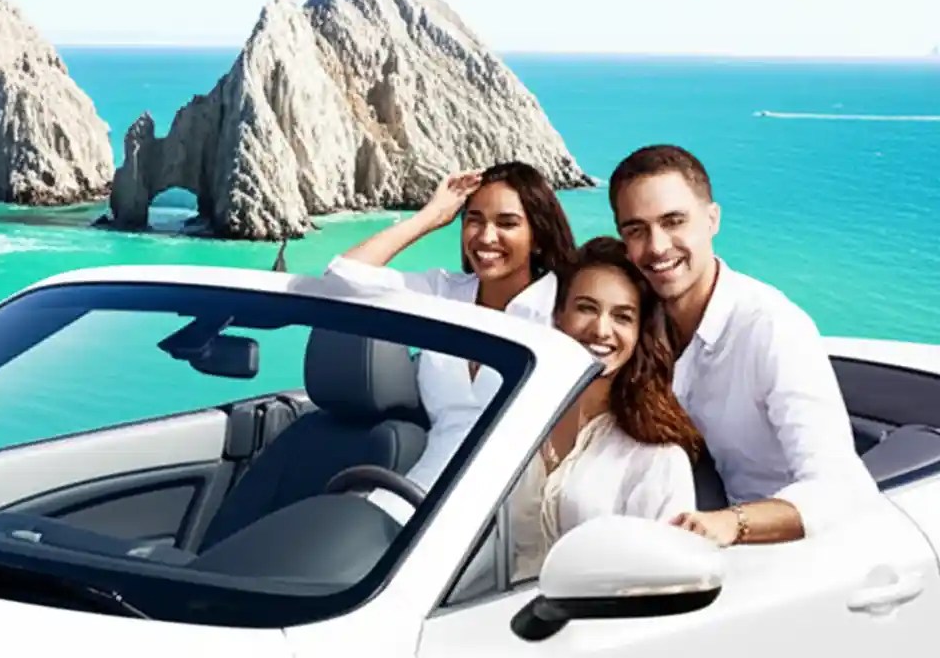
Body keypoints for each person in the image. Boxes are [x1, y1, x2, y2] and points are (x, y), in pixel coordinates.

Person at [607, 144, 878, 546]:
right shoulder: (637, 323)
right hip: (681, 539)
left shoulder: (773, 329)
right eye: (636, 230)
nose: (657, 246)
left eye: (674, 221)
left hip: (788, 552)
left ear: (712, 219)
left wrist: (731, 523)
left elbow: (842, 488)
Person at [325, 160, 577, 495]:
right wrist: (430, 217)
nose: (486, 237)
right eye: (474, 220)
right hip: (419, 497)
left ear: (538, 238)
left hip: (516, 506)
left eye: (507, 223)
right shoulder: (443, 293)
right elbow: (339, 279)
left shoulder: (564, 307)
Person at [506, 236, 701, 580]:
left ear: (639, 333)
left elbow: (663, 583)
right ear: (558, 316)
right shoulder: (516, 421)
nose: (601, 330)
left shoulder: (657, 458)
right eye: (586, 308)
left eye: (622, 317)